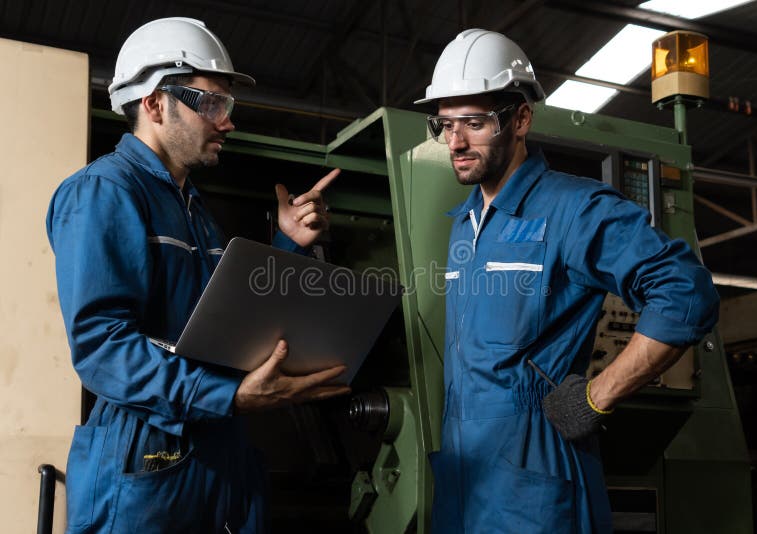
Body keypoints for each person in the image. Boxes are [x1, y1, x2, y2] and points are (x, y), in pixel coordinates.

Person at [46, 17, 350, 533]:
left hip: (215, 446)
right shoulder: (104, 192)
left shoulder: (191, 206)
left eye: (227, 105)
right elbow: (101, 347)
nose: (227, 121)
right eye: (211, 102)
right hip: (148, 448)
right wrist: (226, 395)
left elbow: (225, 320)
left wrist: (287, 245)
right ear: (154, 103)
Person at [415, 29, 719, 533]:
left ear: (521, 118)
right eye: (445, 124)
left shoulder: (575, 209)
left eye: (474, 122)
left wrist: (598, 395)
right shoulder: (465, 223)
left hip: (534, 489)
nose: (456, 142)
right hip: (465, 484)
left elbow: (686, 292)